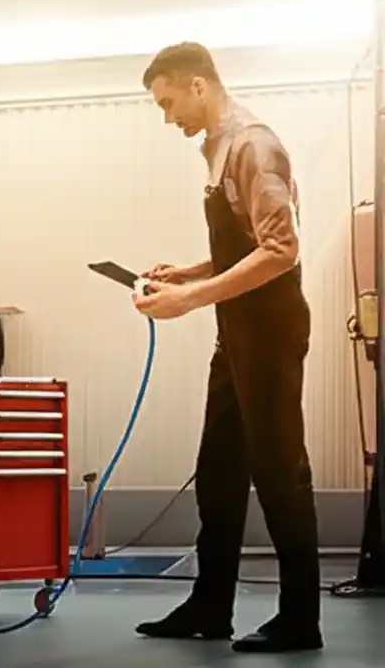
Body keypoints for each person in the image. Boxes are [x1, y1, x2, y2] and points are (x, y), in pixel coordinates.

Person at [130, 41, 323, 653]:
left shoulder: (253, 146)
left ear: (198, 86)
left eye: (168, 103)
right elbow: (244, 245)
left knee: (278, 468)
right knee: (218, 468)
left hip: (269, 327)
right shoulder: (216, 149)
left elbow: (280, 250)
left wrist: (191, 300)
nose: (168, 118)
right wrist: (186, 274)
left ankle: (300, 618)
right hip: (238, 327)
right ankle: (211, 605)